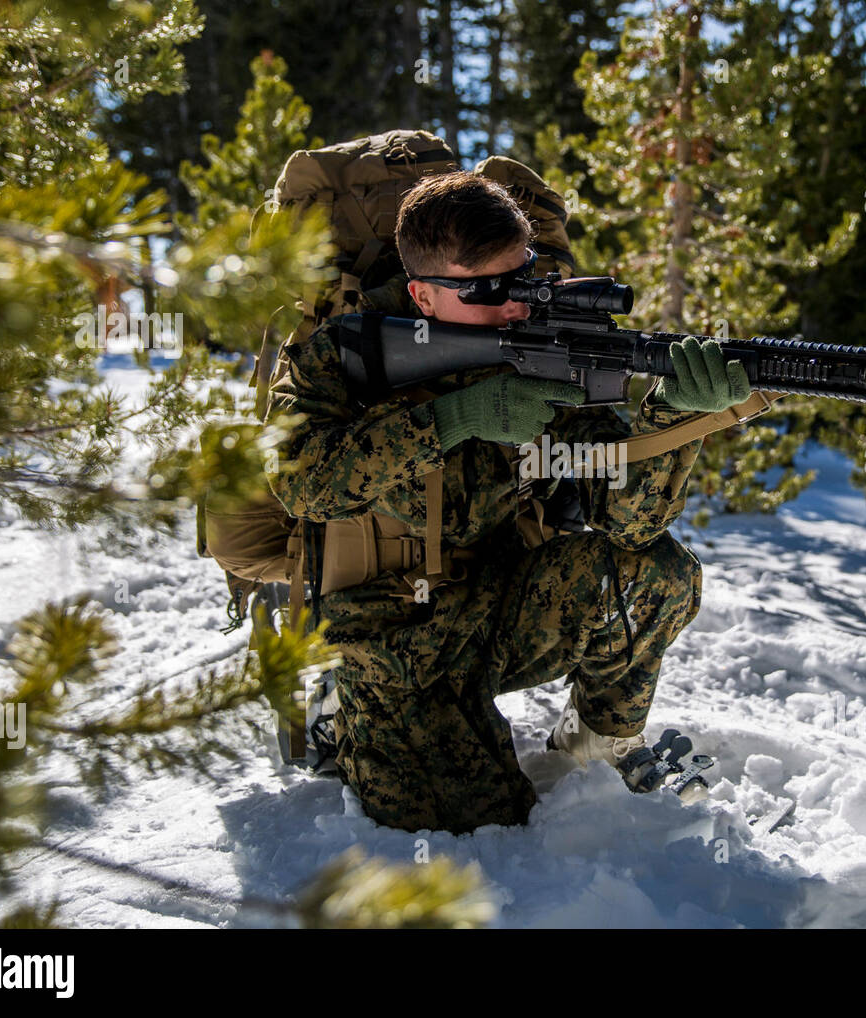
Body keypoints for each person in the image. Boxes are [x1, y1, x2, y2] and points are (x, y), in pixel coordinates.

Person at [266, 171, 752, 834]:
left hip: (503, 601)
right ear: (424, 295)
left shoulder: (544, 346)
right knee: (474, 832)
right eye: (493, 291)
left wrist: (668, 420)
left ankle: (599, 742)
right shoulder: (338, 354)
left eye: (525, 277)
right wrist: (456, 417)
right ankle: (340, 707)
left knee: (656, 575)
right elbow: (300, 481)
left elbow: (629, 523)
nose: (519, 304)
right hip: (390, 633)